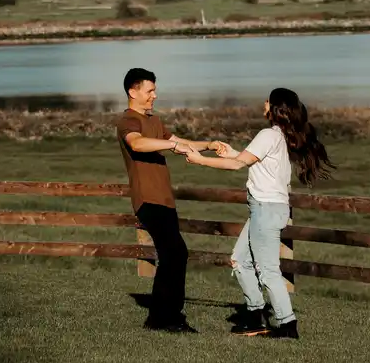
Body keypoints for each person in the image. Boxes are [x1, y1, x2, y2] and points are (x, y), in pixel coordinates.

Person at [186, 87, 334, 340]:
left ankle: (287, 325)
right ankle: (256, 316)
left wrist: (200, 160)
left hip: (266, 210)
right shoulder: (278, 136)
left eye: (267, 101)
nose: (263, 103)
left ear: (276, 108)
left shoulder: (269, 135)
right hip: (264, 209)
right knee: (239, 261)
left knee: (267, 271)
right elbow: (252, 162)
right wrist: (232, 152)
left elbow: (237, 165)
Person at [116, 67, 225, 334]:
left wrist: (209, 144)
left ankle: (161, 318)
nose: (154, 95)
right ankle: (167, 318)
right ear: (133, 92)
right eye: (150, 90)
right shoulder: (128, 120)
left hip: (164, 199)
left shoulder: (154, 121)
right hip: (147, 199)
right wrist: (172, 146)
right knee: (174, 253)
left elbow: (179, 141)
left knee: (175, 254)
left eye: (155, 90)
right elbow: (138, 144)